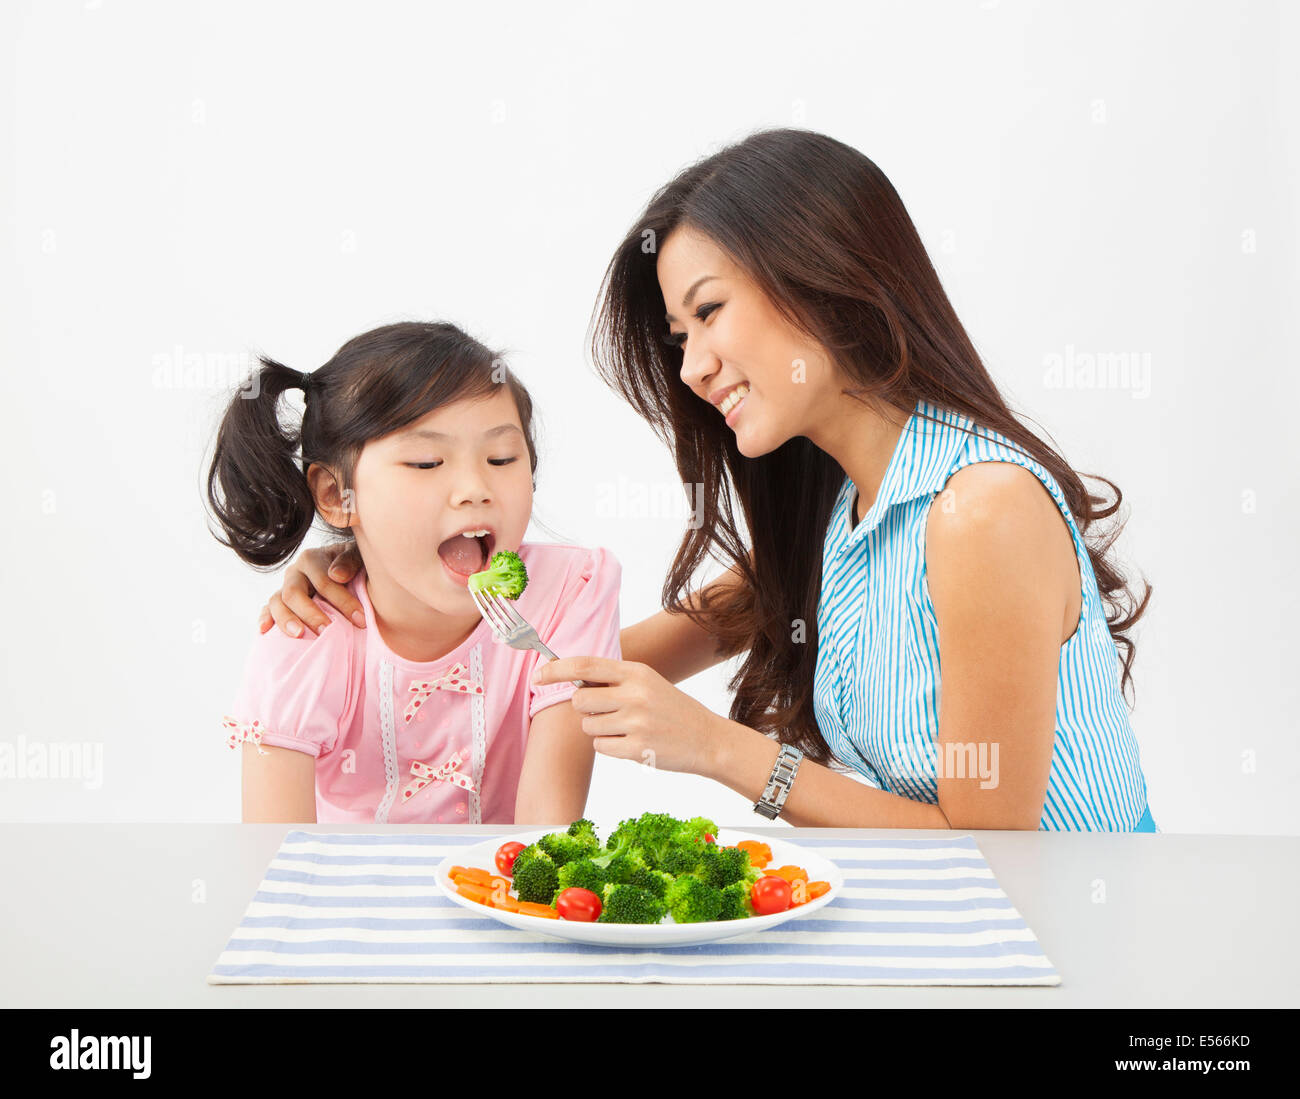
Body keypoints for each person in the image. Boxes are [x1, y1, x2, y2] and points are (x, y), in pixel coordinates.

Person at [260, 130, 1158, 832]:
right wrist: (367, 586)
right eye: (679, 337)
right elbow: (581, 668)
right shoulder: (839, 520)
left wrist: (722, 752)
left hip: (1071, 949)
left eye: (709, 311)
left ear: (825, 276)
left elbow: (991, 848)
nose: (691, 368)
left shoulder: (980, 511)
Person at [205, 321, 621, 824]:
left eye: (501, 457)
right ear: (338, 496)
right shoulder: (305, 639)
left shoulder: (570, 591)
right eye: (427, 462)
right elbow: (272, 862)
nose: (474, 487)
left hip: (501, 899)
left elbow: (545, 835)